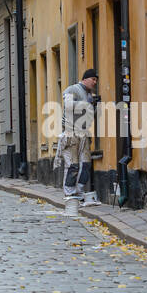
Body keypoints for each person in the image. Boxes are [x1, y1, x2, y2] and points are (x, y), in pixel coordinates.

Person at [54, 68, 99, 212]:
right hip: (71, 132)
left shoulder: (88, 94)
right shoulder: (72, 89)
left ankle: (79, 192)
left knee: (85, 163)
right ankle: (69, 193)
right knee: (72, 164)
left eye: (96, 80)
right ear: (85, 79)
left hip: (84, 132)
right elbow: (68, 106)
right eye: (93, 79)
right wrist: (87, 105)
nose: (95, 82)